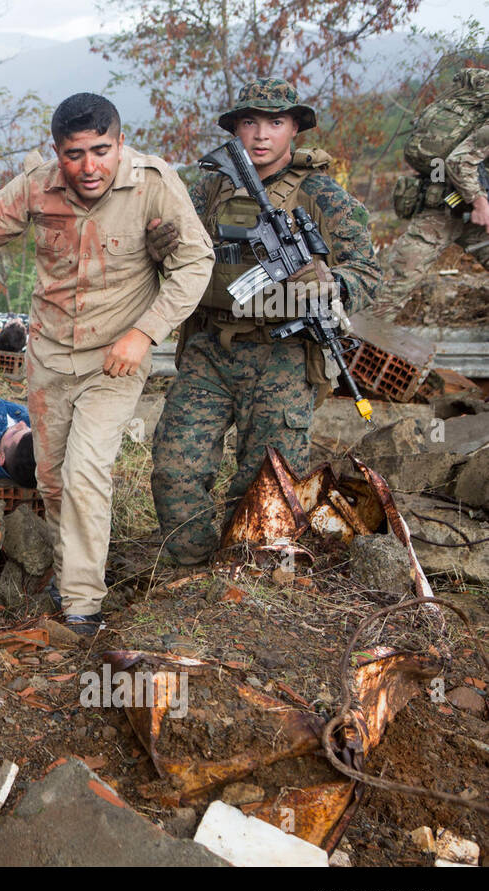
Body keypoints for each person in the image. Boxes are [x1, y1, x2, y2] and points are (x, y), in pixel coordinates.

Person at [0, 92, 213, 635]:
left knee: (87, 471)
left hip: (115, 359)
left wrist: (144, 333)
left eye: (100, 150)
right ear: (57, 152)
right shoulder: (38, 186)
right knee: (54, 480)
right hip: (48, 359)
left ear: (119, 141)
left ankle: (83, 606)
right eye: (74, 154)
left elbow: (195, 262)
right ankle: (71, 578)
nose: (89, 167)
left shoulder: (154, 184)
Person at [150, 78, 381, 566]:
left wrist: (331, 282)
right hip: (211, 347)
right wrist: (159, 246)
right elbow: (174, 257)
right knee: (174, 466)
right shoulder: (211, 186)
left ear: (294, 127)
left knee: (267, 481)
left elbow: (367, 273)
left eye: (275, 122)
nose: (260, 135)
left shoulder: (322, 193)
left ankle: (244, 570)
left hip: (283, 357)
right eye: (250, 122)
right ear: (235, 128)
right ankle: (190, 568)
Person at [371, 67, 489, 321]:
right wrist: (480, 203)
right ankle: (357, 346)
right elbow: (458, 162)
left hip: (469, 214)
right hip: (447, 208)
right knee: (400, 282)